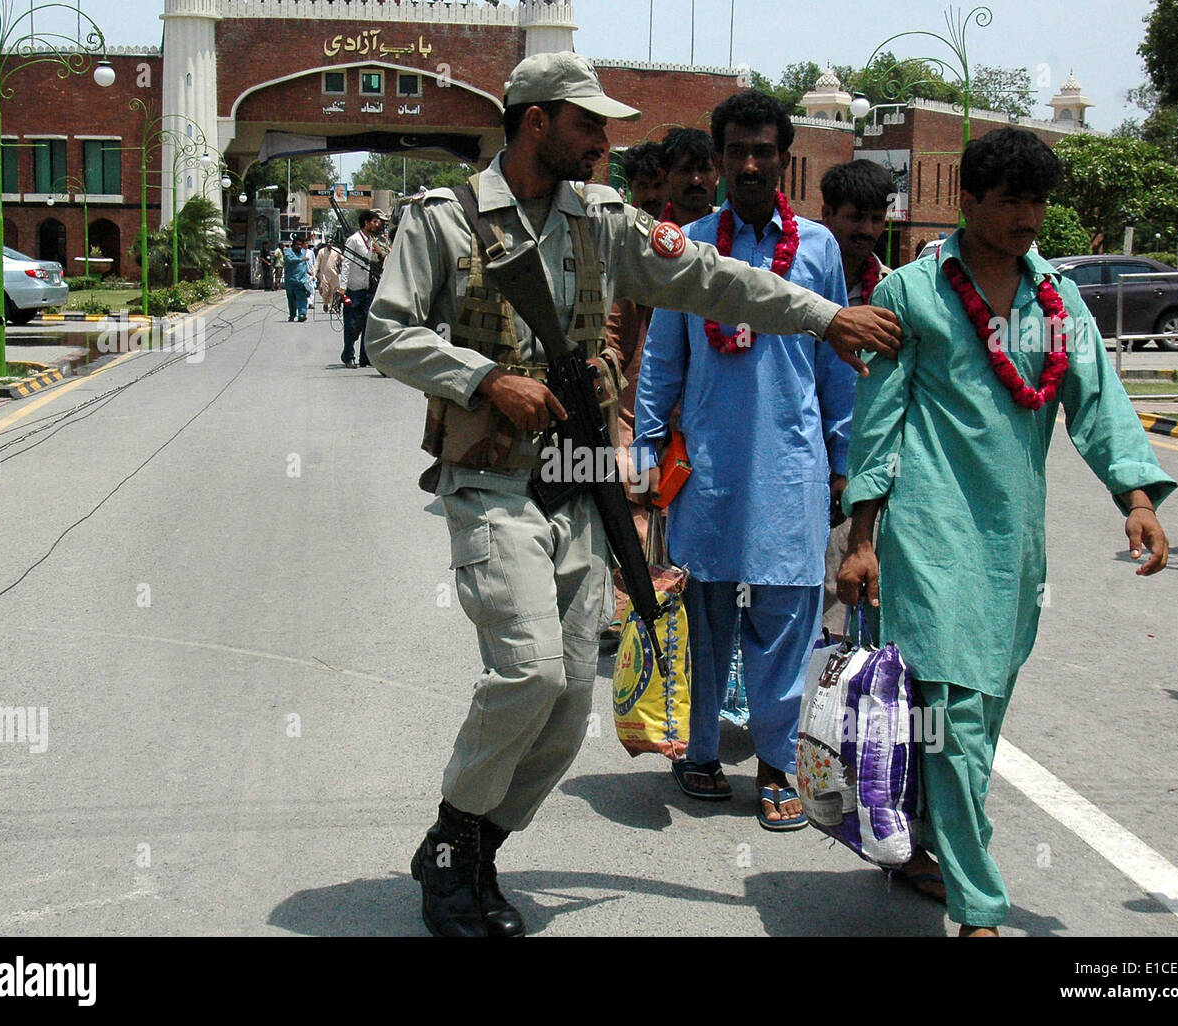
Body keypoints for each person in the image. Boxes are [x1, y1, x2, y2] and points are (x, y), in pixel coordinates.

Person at [367, 52, 902, 938]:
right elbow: (388, 331)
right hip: (493, 477)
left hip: (578, 485)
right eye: (589, 126)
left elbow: (711, 279)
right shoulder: (446, 218)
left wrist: (822, 314)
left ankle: (478, 849)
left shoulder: (606, 220)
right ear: (538, 122)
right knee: (529, 668)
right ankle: (453, 846)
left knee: (574, 695)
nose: (606, 142)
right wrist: (482, 379)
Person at [837, 127, 1175, 936]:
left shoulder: (1056, 298)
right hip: (925, 534)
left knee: (976, 718)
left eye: (1039, 200)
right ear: (970, 202)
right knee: (952, 717)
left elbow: (1096, 402)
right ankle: (980, 907)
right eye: (1013, 200)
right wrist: (861, 540)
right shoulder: (913, 295)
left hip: (1012, 546)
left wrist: (1138, 499)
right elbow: (876, 426)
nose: (1029, 216)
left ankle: (928, 845)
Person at [633, 90, 856, 831]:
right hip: (708, 469)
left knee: (787, 618)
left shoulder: (818, 249)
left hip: (792, 468)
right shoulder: (686, 245)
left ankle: (774, 762)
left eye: (765, 151)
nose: (751, 164)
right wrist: (641, 456)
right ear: (721, 160)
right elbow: (661, 360)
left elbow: (837, 367)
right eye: (738, 152)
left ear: (783, 158)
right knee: (703, 616)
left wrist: (845, 460)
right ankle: (696, 750)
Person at [606, 128, 720, 631]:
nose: (694, 181)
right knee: (638, 504)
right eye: (682, 173)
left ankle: (691, 621)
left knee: (698, 515)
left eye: (704, 169)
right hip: (643, 401)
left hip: (712, 407)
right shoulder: (645, 249)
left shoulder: (732, 243)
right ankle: (636, 622)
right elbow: (616, 331)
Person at [819, 159, 897, 633]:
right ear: (827, 214)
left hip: (867, 468)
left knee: (856, 592)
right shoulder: (794, 282)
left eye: (876, 218)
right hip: (804, 459)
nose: (867, 229)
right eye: (855, 217)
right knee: (816, 595)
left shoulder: (893, 291)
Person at [339, 208, 389, 368]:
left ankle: (364, 357)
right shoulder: (354, 240)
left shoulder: (370, 241)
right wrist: (342, 287)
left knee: (367, 323)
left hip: (367, 288)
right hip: (353, 289)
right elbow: (346, 264)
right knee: (351, 324)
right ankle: (348, 356)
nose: (377, 224)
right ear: (366, 223)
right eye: (374, 222)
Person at [620, 140, 668, 218]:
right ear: (630, 185)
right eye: (643, 186)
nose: (651, 197)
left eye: (658, 186)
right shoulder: (622, 224)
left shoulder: (682, 223)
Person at [283, 234, 314, 322]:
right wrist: (301, 259)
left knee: (302, 298)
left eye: (301, 245)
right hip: (291, 281)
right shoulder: (288, 252)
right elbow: (290, 260)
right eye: (297, 245)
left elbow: (304, 265)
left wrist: (309, 271)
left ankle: (302, 314)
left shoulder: (303, 252)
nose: (299, 246)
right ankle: (292, 315)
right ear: (293, 245)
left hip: (301, 281)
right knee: (292, 300)